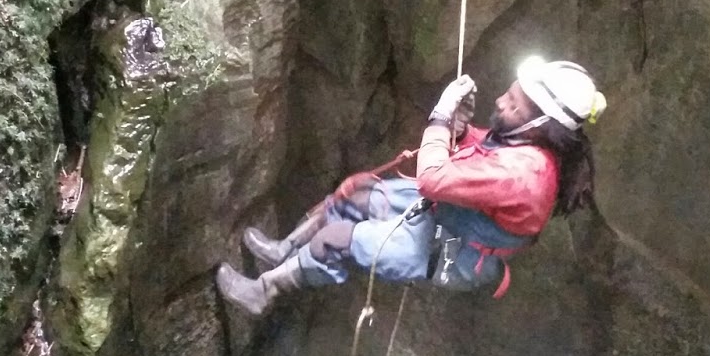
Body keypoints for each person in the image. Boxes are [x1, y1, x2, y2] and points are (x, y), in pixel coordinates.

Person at [215, 57, 606, 315]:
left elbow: (435, 179)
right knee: (355, 197)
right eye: (510, 92)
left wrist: (439, 118)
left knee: (334, 239)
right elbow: (485, 157)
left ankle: (263, 292)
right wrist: (461, 129)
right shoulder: (525, 142)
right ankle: (283, 249)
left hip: (451, 245)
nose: (502, 101)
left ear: (541, 124)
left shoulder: (527, 175)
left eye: (514, 105)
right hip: (447, 216)